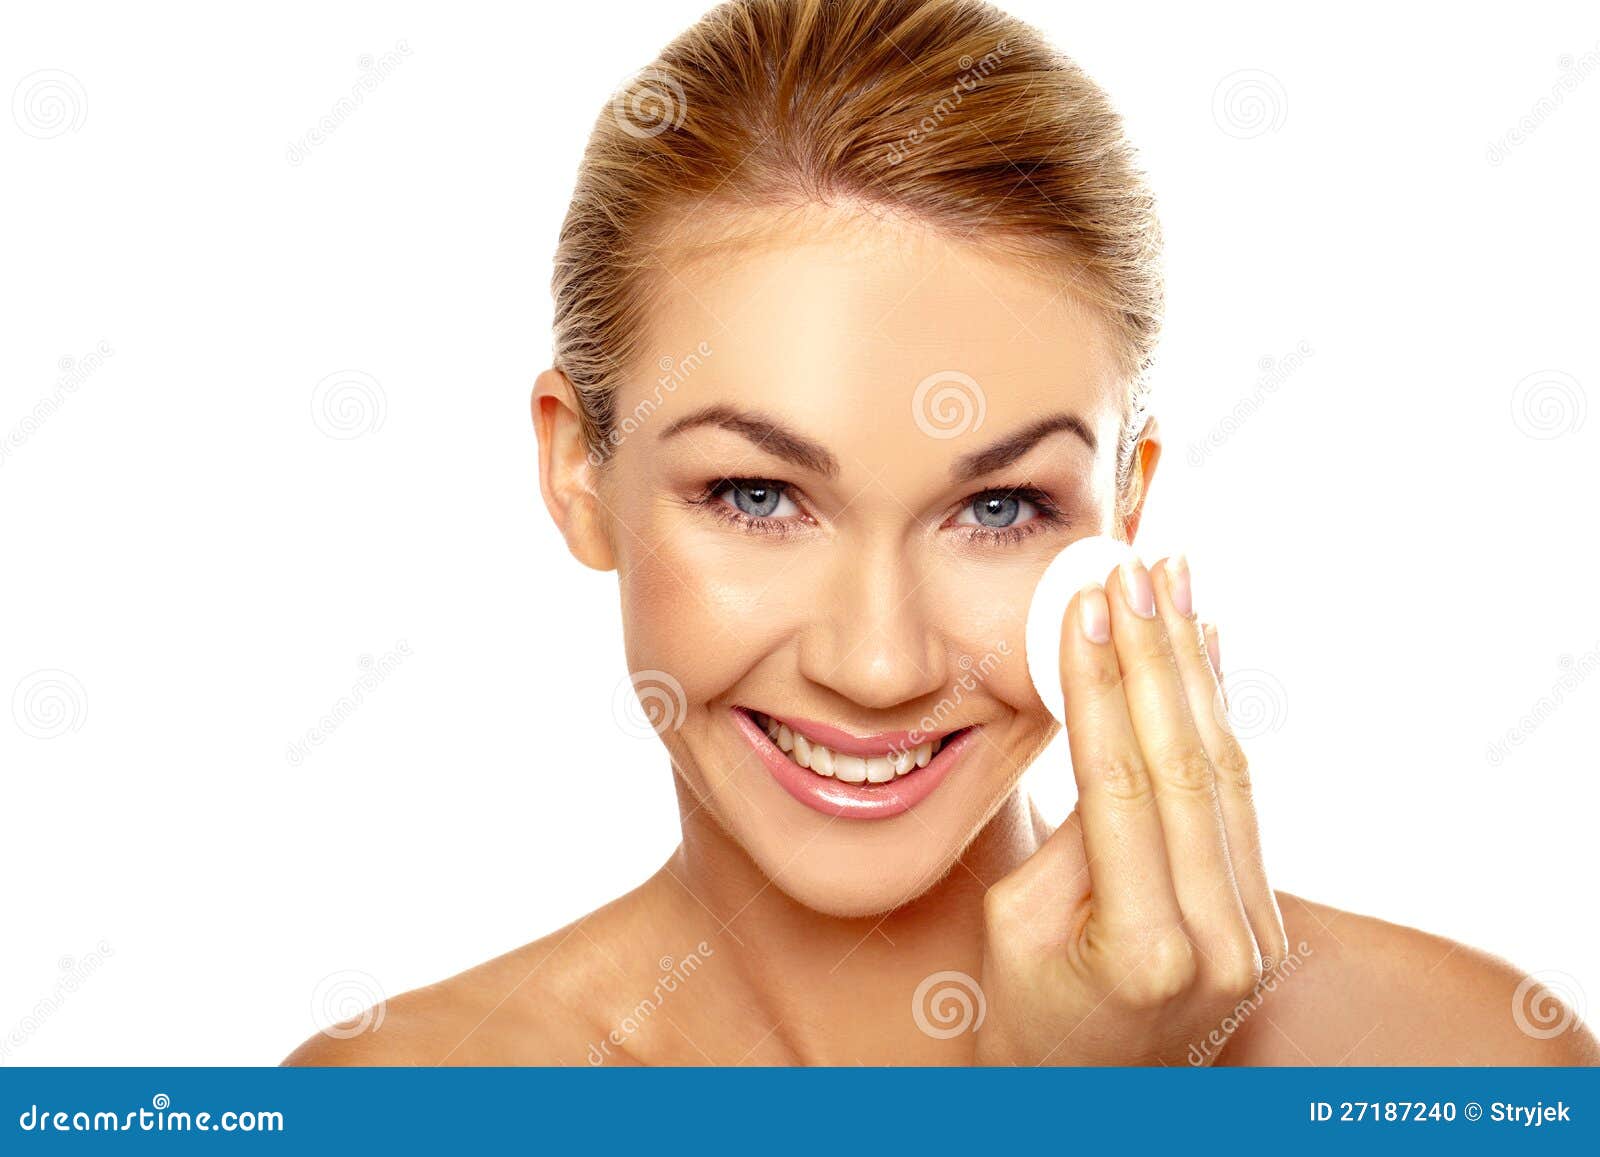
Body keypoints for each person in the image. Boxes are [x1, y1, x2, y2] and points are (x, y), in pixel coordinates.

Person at [287, 0, 1596, 1066]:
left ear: (1122, 511)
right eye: (758, 495)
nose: (877, 664)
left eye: (998, 507)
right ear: (579, 469)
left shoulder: (1464, 1060)